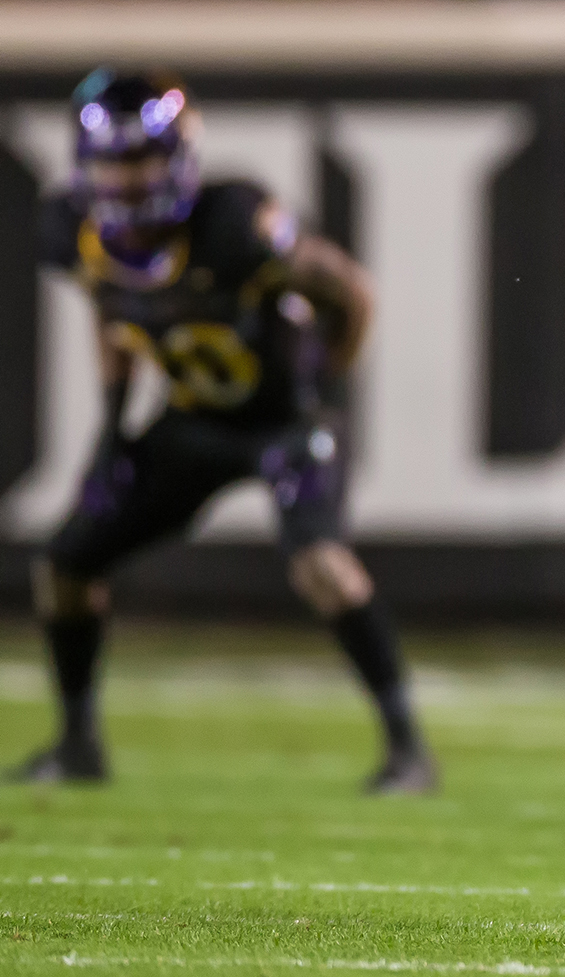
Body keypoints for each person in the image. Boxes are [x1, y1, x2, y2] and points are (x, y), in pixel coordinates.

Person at [10, 69, 436, 795]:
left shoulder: (235, 225)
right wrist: (112, 425)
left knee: (322, 565)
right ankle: (78, 745)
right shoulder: (74, 233)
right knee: (65, 566)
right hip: (194, 421)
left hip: (282, 421)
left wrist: (322, 389)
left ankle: (409, 753)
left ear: (177, 155)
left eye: (141, 157)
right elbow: (111, 313)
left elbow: (350, 291)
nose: (127, 176)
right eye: (113, 160)